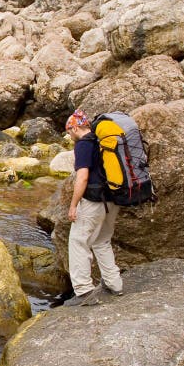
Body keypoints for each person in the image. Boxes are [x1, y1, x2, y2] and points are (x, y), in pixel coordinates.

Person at [63, 109, 124, 307]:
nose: (69, 136)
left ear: (74, 127)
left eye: (69, 131)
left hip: (94, 201)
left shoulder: (83, 144)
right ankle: (115, 284)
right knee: (102, 240)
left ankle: (83, 291)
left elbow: (83, 177)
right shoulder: (101, 140)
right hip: (113, 199)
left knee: (78, 241)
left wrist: (73, 205)